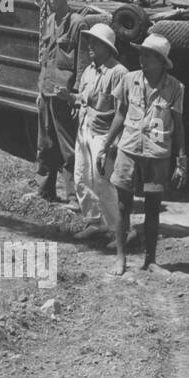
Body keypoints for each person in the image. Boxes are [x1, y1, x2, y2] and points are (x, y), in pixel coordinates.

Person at [100, 33, 188, 275]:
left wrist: (181, 161)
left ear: (161, 61)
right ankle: (120, 258)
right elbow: (120, 114)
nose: (142, 58)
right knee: (122, 205)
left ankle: (151, 260)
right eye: (142, 53)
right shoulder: (129, 80)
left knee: (152, 207)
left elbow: (178, 126)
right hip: (128, 151)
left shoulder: (175, 88)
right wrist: (106, 145)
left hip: (157, 156)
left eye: (148, 55)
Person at [34, 0, 89, 201]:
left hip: (65, 95)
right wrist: (39, 91)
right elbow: (44, 59)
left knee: (68, 149)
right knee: (45, 145)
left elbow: (82, 64)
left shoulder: (77, 23)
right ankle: (44, 190)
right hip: (47, 92)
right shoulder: (49, 21)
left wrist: (76, 96)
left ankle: (74, 198)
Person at [73, 23, 128, 233]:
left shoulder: (118, 73)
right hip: (84, 130)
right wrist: (70, 98)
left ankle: (117, 229)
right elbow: (83, 99)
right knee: (82, 177)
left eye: (96, 42)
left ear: (107, 47)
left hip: (104, 135)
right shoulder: (89, 70)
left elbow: (121, 112)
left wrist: (112, 143)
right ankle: (93, 221)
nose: (90, 46)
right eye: (90, 41)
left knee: (103, 182)